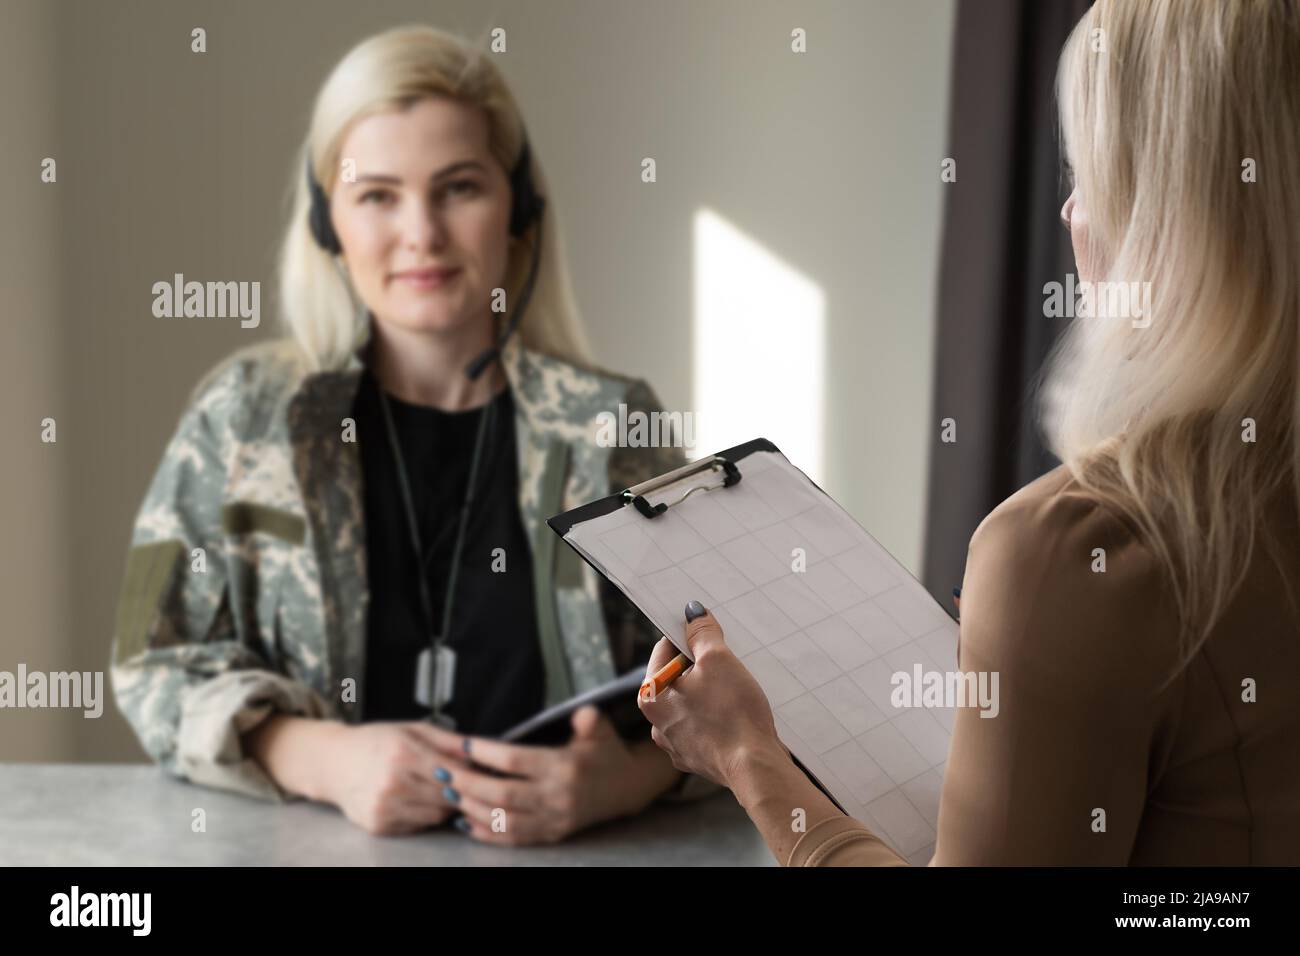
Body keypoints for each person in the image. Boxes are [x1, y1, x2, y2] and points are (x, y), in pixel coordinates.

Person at [639, 0, 1300, 865]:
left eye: (1089, 172)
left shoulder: (1082, 546)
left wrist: (747, 756)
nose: (1070, 216)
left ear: (1169, 214)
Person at [110, 24, 717, 842]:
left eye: (459, 187)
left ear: (519, 208)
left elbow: (730, 674)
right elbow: (147, 661)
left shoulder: (614, 426)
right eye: (377, 194)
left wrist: (629, 779)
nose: (422, 233)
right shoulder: (237, 418)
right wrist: (321, 756)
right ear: (331, 224)